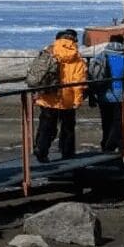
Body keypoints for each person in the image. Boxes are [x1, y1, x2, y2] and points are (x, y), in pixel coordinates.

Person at [33, 29, 87, 163]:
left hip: (48, 96)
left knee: (46, 125)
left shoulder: (50, 51)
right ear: (73, 40)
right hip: (67, 99)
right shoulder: (76, 58)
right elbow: (79, 83)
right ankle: (67, 153)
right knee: (68, 127)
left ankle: (41, 149)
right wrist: (78, 101)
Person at [87, 34, 124, 152]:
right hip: (118, 96)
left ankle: (105, 143)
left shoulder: (101, 56)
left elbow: (91, 74)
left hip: (102, 94)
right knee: (117, 123)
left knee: (106, 122)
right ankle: (110, 147)